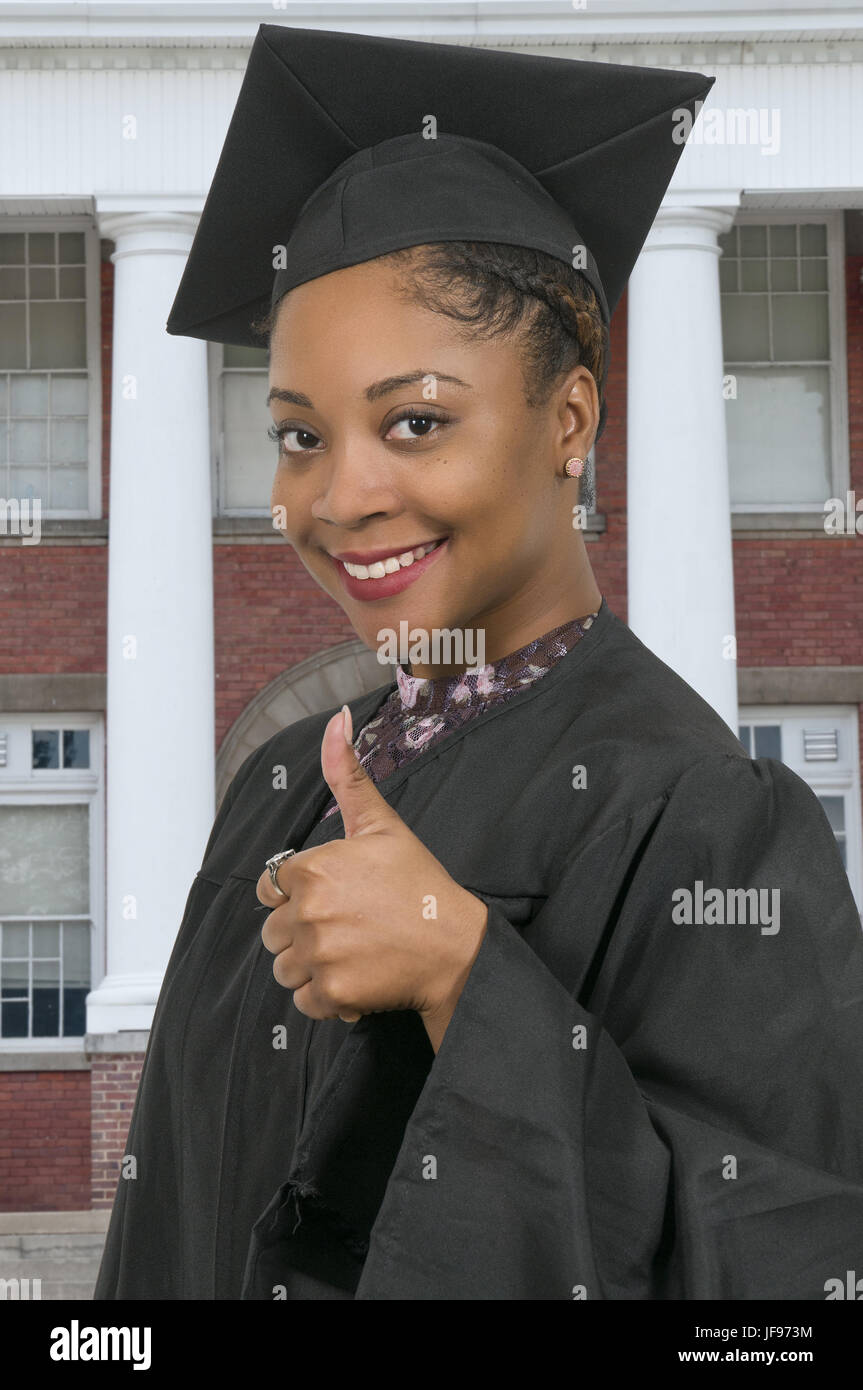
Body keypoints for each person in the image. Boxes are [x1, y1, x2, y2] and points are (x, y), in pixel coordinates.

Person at [94, 24, 863, 1301]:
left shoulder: (701, 820)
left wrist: (463, 974)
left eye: (415, 421)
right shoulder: (284, 785)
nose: (341, 496)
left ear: (567, 420)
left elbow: (774, 1297)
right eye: (295, 435)